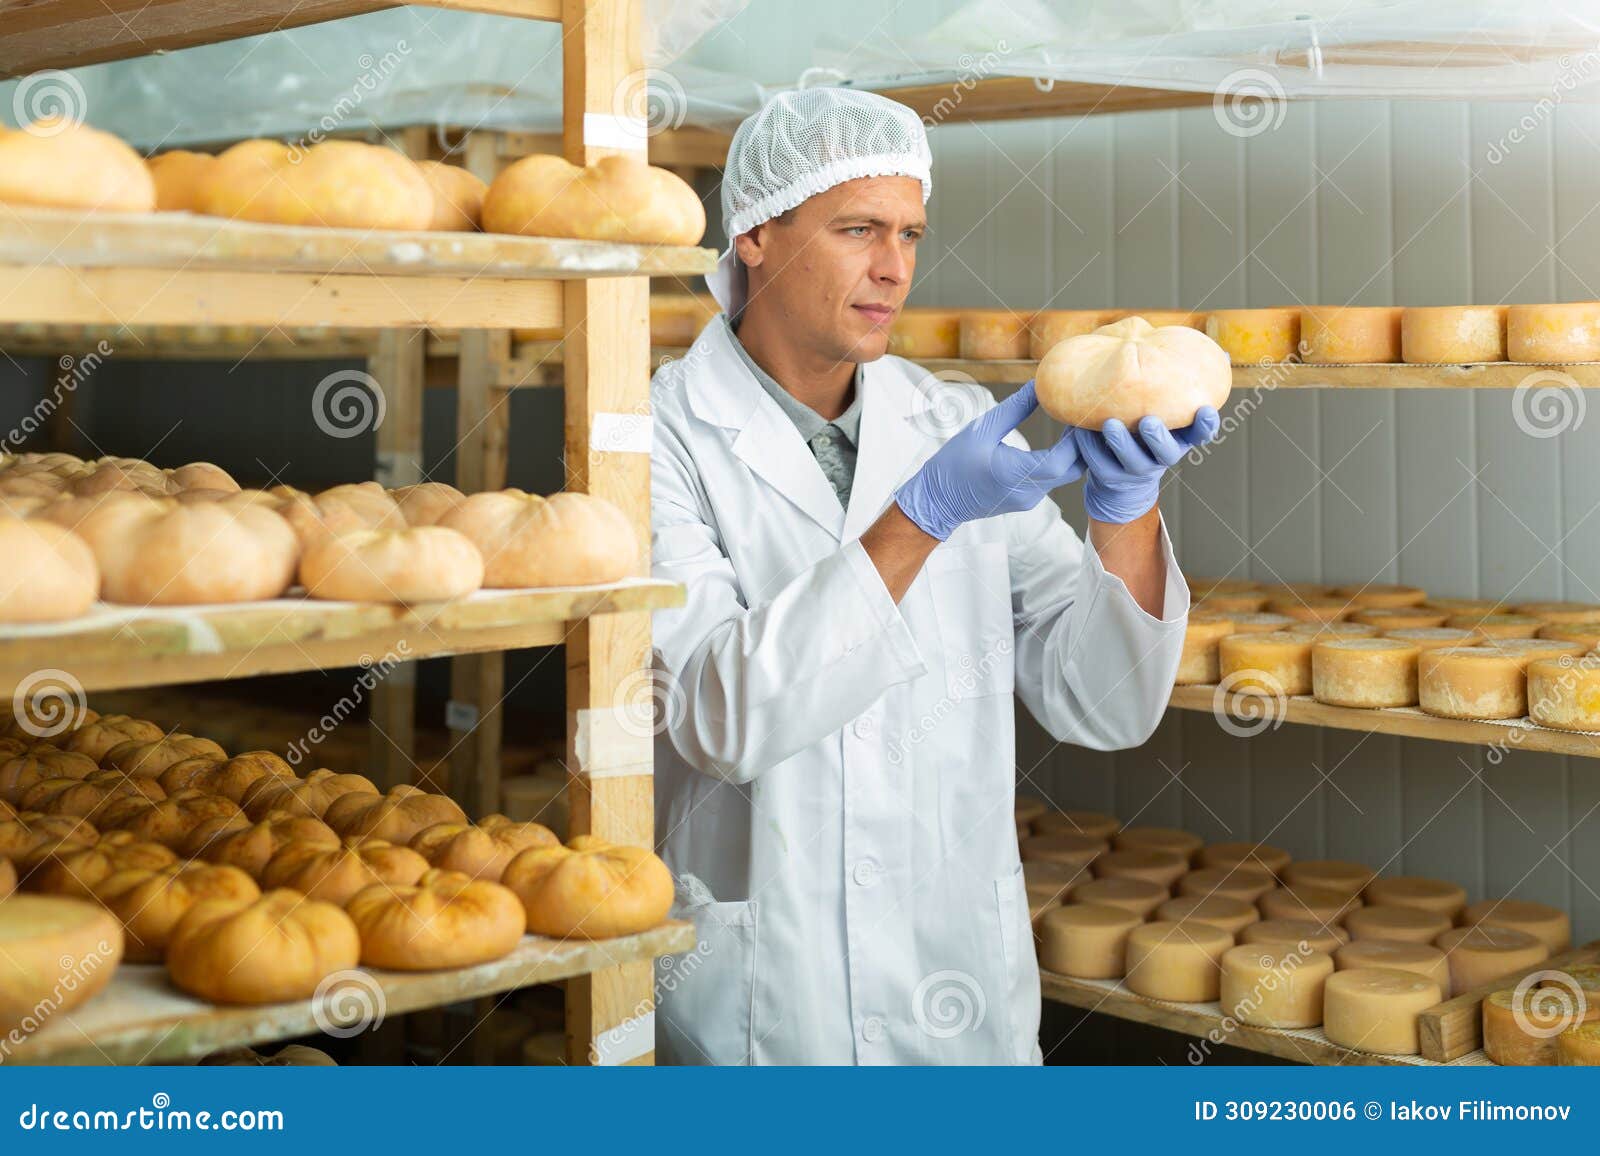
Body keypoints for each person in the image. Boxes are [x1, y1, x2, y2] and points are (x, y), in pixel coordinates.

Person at [649, 87, 1219, 1065]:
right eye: (858, 228)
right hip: (773, 1004)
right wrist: (922, 516)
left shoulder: (943, 421)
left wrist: (1123, 516)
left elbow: (1103, 703)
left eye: (911, 232)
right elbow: (719, 715)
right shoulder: (655, 433)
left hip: (952, 991)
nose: (893, 268)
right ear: (753, 232)